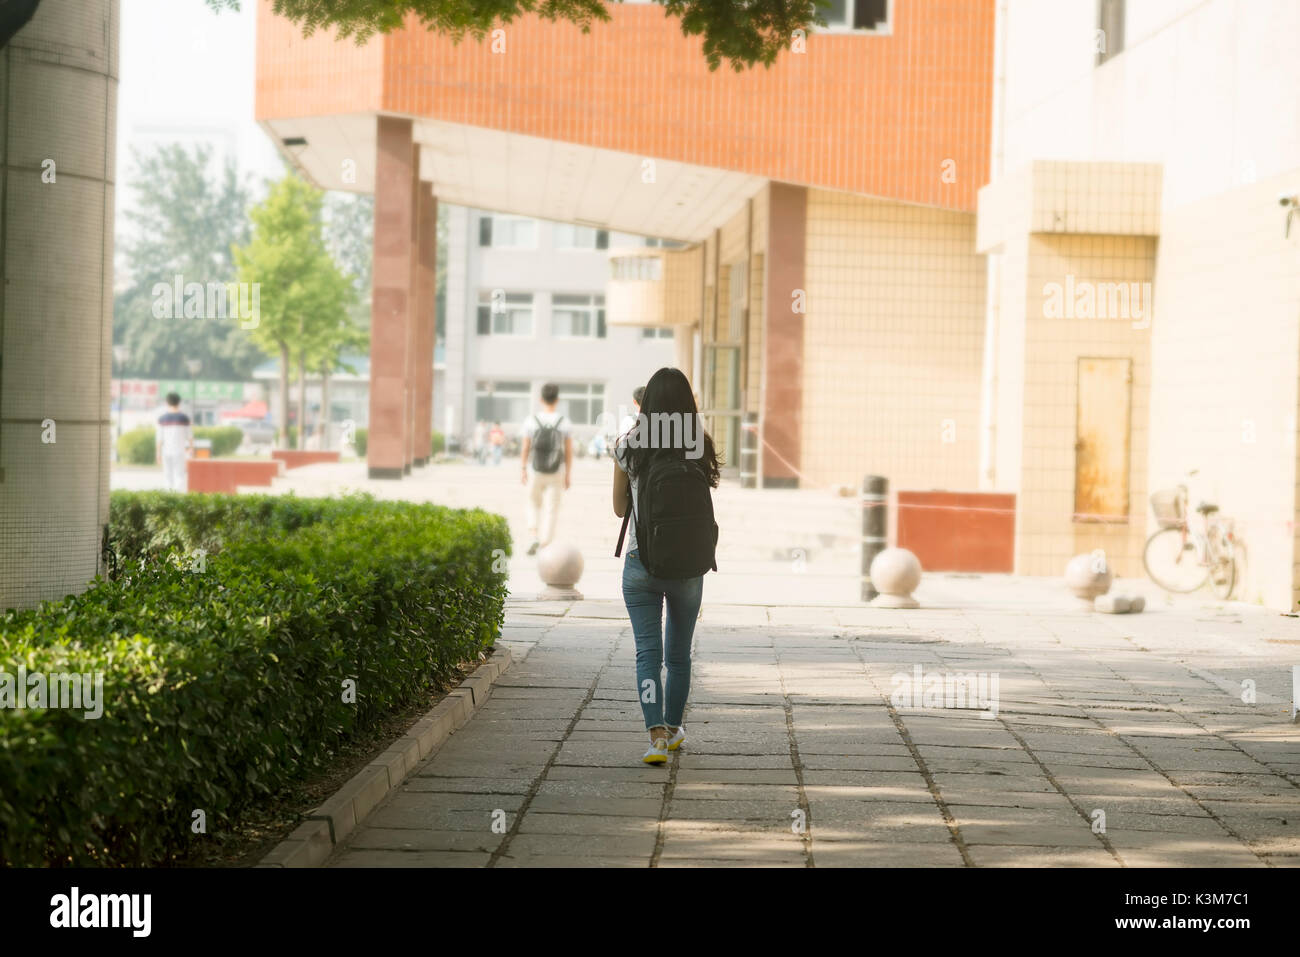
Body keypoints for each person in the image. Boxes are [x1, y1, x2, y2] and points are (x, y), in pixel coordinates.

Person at [612, 367, 720, 765]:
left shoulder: (628, 446)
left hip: (641, 564)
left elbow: (619, 507)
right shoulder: (698, 445)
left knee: (647, 654)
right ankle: (674, 730)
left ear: (649, 404)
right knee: (679, 656)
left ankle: (655, 735)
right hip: (689, 566)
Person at [520, 384, 573, 555]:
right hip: (556, 470)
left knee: (533, 503)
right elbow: (568, 451)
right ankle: (545, 543)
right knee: (552, 508)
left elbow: (525, 447)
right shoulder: (564, 422)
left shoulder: (531, 420)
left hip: (535, 470)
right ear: (557, 400)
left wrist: (523, 469)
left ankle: (534, 535)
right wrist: (568, 474)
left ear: (541, 399)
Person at [155, 392, 193, 492]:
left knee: (167, 476)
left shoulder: (162, 419)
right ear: (179, 402)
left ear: (167, 403)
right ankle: (178, 496)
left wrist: (158, 453)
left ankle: (169, 496)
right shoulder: (184, 418)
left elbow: (159, 438)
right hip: (180, 451)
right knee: (179, 475)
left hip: (165, 451)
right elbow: (190, 436)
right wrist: (190, 448)